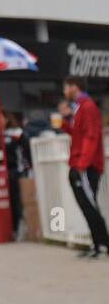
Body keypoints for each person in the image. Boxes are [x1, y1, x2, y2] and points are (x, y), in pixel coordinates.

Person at [62, 77, 108, 258]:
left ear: (74, 87)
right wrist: (66, 126)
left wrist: (82, 164)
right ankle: (97, 244)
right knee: (87, 205)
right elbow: (82, 135)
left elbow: (91, 137)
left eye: (66, 87)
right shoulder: (82, 107)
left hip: (85, 167)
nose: (65, 91)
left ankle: (102, 244)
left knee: (89, 205)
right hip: (82, 165)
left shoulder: (87, 107)